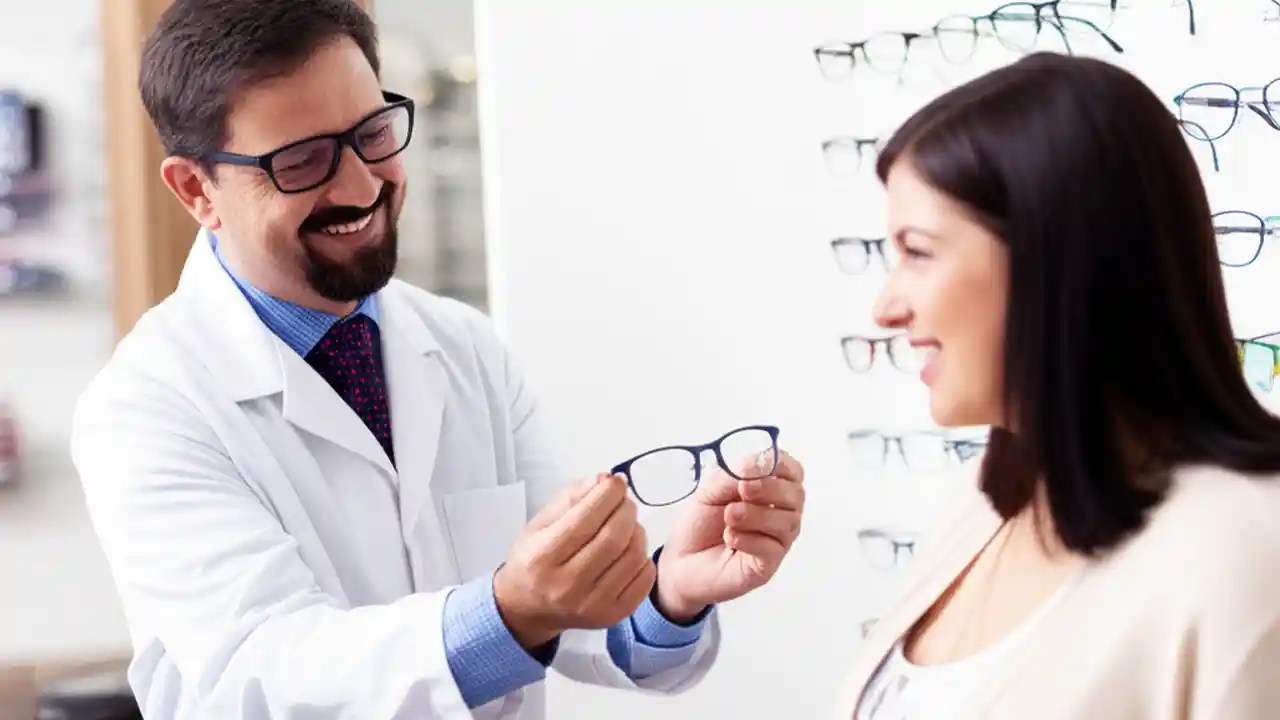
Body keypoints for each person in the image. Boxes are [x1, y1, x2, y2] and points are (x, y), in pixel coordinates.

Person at [70, 1, 806, 718]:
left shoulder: (463, 348)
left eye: (373, 133)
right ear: (197, 189)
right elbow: (263, 668)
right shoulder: (146, 408)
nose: (361, 186)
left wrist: (671, 592)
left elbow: (571, 616)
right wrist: (511, 605)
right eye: (301, 162)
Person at [834, 53, 1280, 719]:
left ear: (1056, 259)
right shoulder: (984, 505)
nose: (886, 309)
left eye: (918, 253)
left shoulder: (1243, 554)